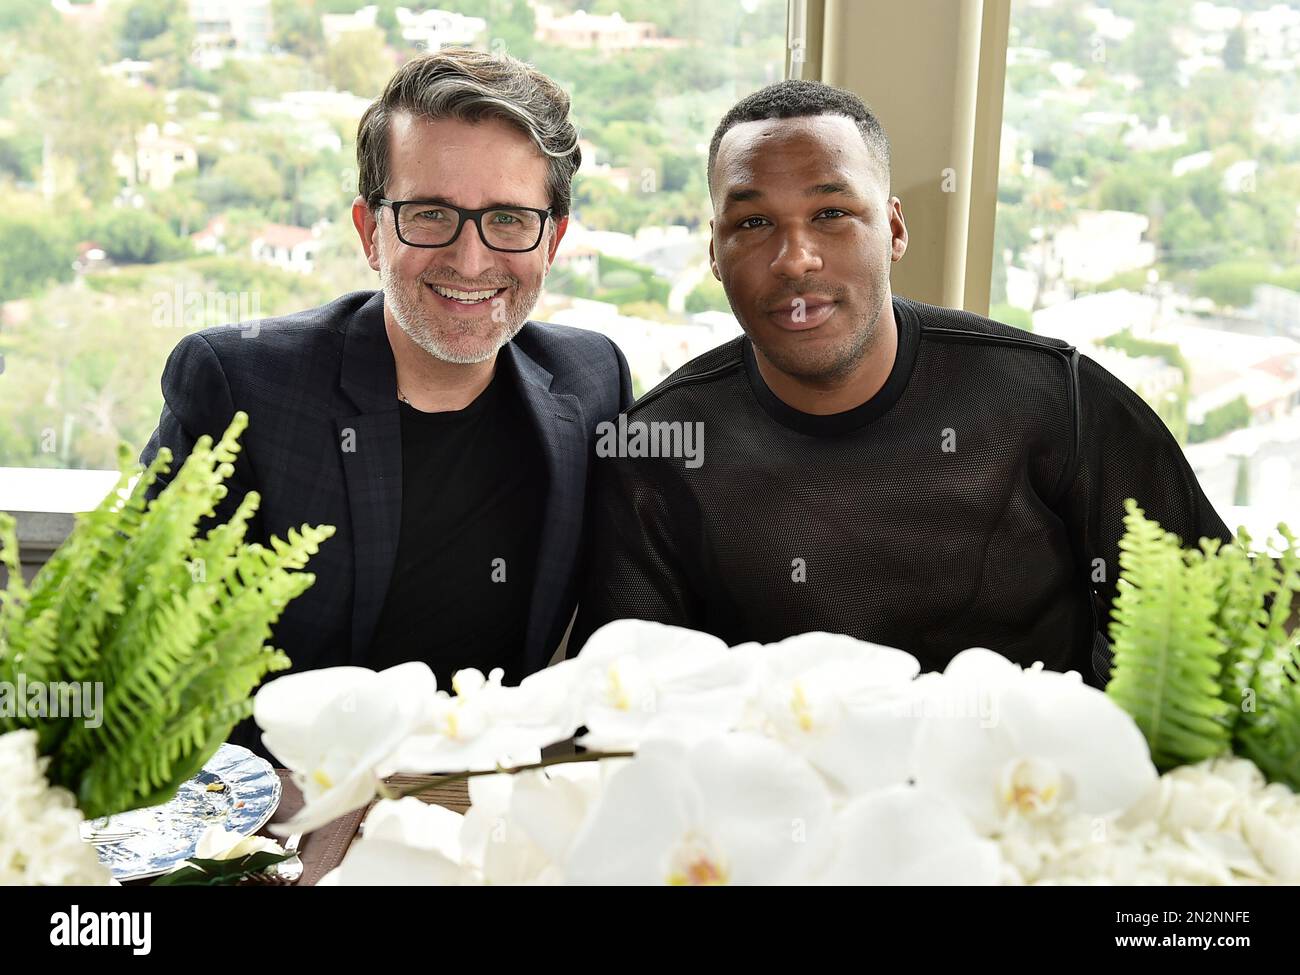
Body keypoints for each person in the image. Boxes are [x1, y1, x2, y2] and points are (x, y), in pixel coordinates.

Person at [572, 79, 1230, 686]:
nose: (796, 257)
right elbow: (623, 713)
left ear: (892, 229)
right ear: (715, 255)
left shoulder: (1054, 396)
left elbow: (1211, 633)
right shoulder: (655, 449)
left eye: (831, 213)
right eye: (752, 223)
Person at [141, 49, 631, 749]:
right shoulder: (237, 385)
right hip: (278, 821)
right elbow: (147, 663)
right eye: (430, 214)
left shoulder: (594, 380)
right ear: (370, 231)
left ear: (551, 238)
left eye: (509, 218)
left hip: (488, 811)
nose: (470, 260)